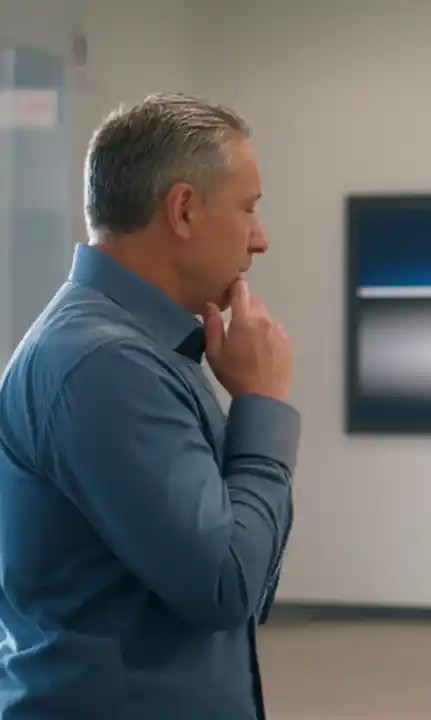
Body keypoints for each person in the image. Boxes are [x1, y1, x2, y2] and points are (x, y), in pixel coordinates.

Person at [0, 93, 299, 719]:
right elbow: (225, 584)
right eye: (249, 209)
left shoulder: (133, 351)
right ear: (184, 209)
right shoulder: (105, 364)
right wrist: (262, 402)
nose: (261, 239)